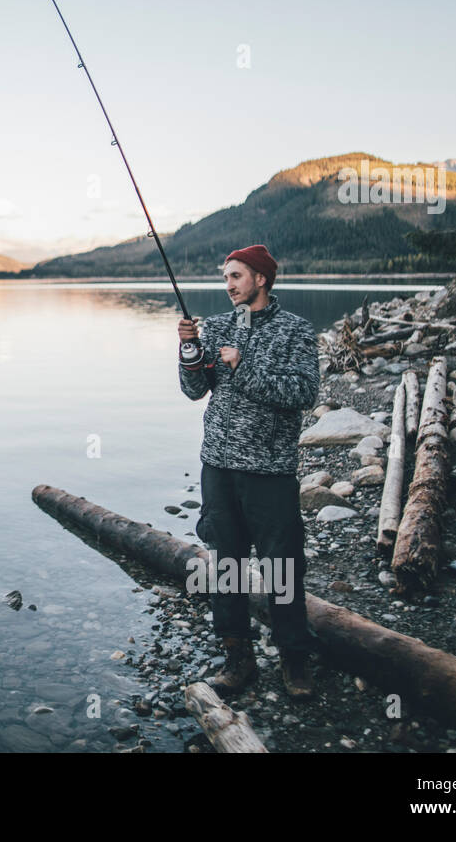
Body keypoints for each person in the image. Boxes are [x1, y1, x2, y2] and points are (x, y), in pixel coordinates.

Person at [176, 244, 320, 699]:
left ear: (261, 278)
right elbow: (195, 389)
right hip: (217, 465)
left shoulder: (295, 330)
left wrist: (243, 365)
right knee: (227, 564)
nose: (229, 285)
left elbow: (302, 393)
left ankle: (294, 661)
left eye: (236, 276)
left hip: (270, 469)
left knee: (283, 567)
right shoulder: (216, 326)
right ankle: (238, 658)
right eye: (225, 278)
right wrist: (188, 349)